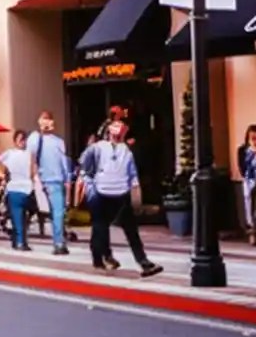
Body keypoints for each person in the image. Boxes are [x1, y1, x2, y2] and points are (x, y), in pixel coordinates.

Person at [82, 120, 162, 277]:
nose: (118, 136)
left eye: (120, 133)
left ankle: (142, 261)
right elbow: (85, 167)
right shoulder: (97, 148)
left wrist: (135, 190)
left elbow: (132, 173)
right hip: (101, 192)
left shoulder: (126, 151)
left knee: (127, 228)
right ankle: (101, 258)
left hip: (120, 193)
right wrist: (89, 185)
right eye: (115, 133)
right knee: (101, 227)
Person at [28, 111, 72, 255]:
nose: (47, 123)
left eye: (48, 120)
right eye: (44, 120)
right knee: (57, 212)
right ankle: (59, 243)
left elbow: (63, 162)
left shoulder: (58, 141)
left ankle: (58, 240)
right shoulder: (36, 138)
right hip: (48, 180)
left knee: (56, 212)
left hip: (55, 179)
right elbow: (32, 158)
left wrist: (67, 179)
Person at [0, 130, 38, 251]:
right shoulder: (11, 153)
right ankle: (20, 242)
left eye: (24, 139)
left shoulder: (28, 154)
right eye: (20, 139)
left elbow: (33, 170)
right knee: (19, 216)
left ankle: (18, 240)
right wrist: (1, 174)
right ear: (15, 141)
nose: (23, 142)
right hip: (16, 187)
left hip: (24, 188)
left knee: (19, 216)